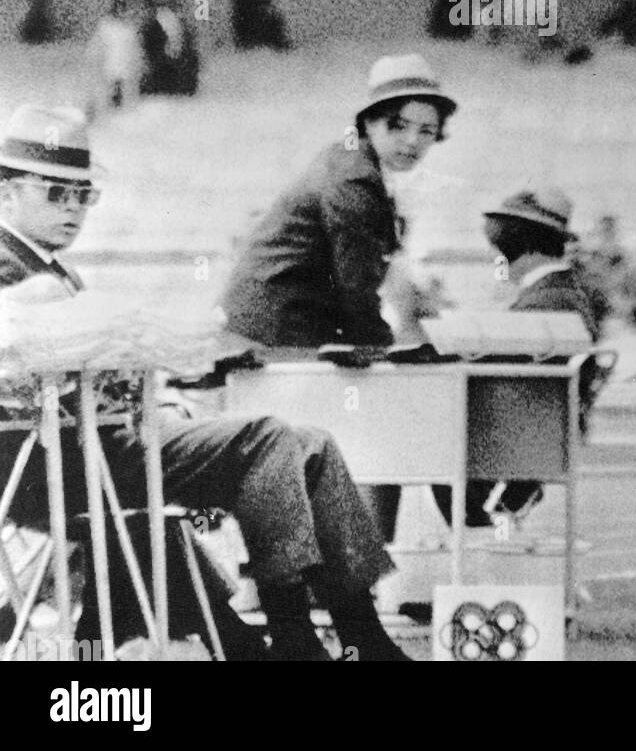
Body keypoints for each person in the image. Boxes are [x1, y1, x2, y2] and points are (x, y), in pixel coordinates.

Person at [0, 104, 409, 661]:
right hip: (46, 464)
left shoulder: (55, 269)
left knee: (308, 445)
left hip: (99, 443)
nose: (74, 210)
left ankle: (362, 632)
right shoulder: (12, 268)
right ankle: (292, 635)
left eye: (83, 196)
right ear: (6, 193)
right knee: (266, 439)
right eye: (55, 194)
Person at [221, 53, 458, 541]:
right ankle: (341, 571)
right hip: (277, 328)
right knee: (361, 433)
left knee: (361, 434)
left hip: (284, 322)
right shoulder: (353, 177)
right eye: (399, 126)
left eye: (426, 131)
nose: (413, 141)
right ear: (370, 122)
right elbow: (356, 283)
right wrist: (381, 345)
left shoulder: (353, 161)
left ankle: (351, 566)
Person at [432, 186, 602, 530]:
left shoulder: (549, 300)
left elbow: (506, 365)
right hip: (536, 430)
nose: (500, 263)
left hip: (521, 437)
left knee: (422, 437)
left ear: (522, 249)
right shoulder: (560, 293)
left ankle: (476, 532)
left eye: (502, 253)